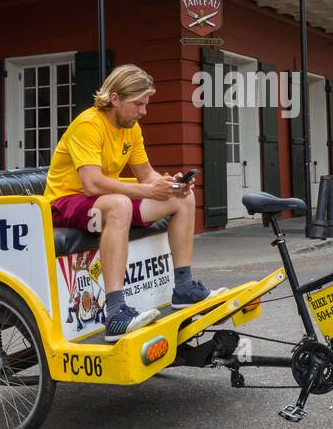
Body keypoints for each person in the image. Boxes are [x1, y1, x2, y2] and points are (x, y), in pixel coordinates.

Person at [44, 64, 211, 341]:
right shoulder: (89, 124)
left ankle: (183, 287)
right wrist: (148, 192)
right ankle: (116, 313)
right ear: (115, 99)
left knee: (183, 199)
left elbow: (146, 175)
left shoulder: (131, 128)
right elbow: (92, 183)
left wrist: (170, 186)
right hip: (67, 202)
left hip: (103, 201)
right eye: (138, 104)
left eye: (146, 104)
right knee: (120, 204)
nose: (143, 111)